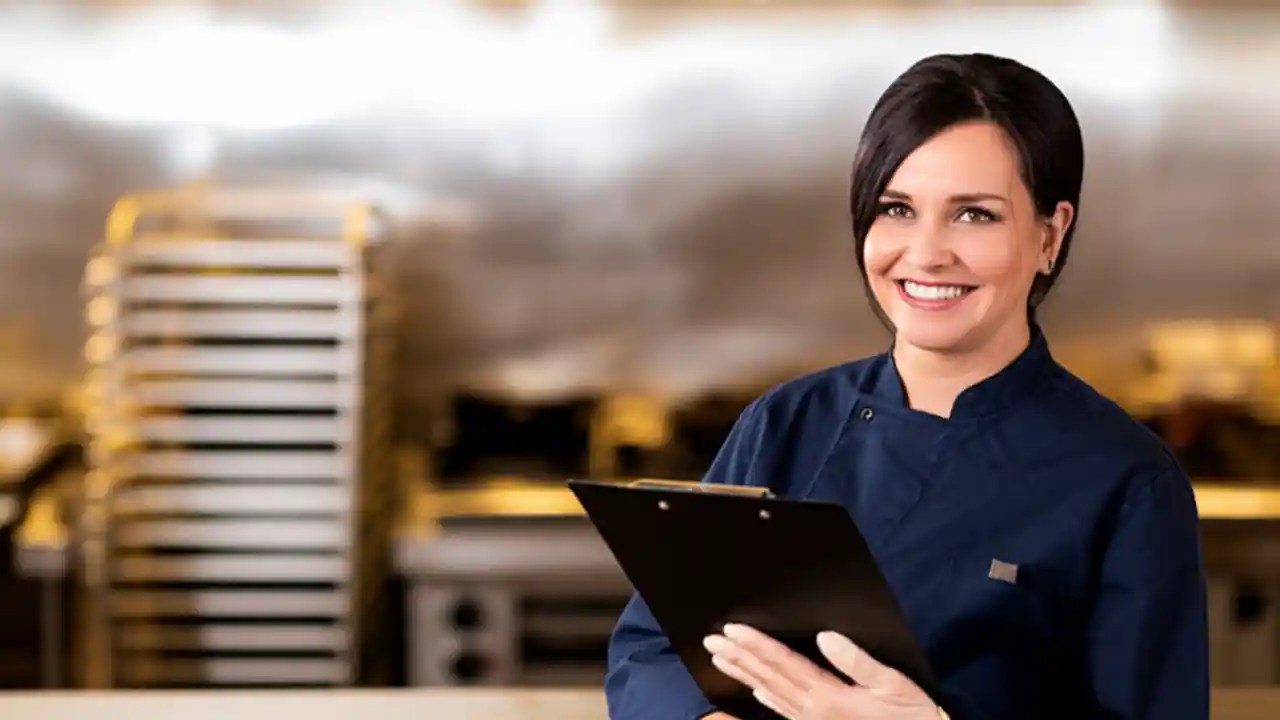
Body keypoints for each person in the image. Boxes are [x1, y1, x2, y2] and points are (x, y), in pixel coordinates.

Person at [604, 53, 1209, 720]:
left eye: (974, 215)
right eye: (896, 209)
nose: (925, 254)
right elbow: (650, 651)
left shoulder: (1128, 483)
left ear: (1051, 234)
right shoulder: (785, 423)